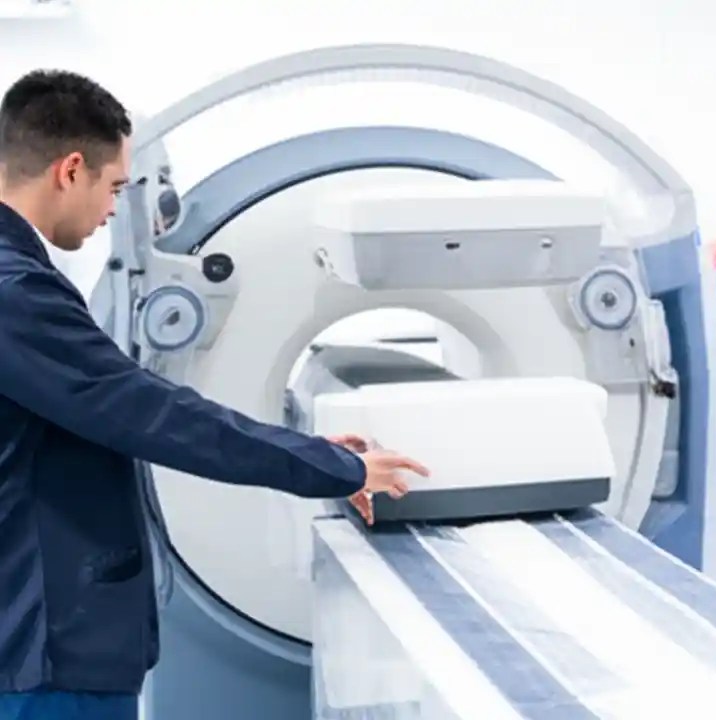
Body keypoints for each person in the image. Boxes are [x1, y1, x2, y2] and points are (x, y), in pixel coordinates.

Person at [0, 70, 428, 719]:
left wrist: (309, 447)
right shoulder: (16, 293)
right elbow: (149, 412)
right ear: (70, 170)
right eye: (114, 187)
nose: (115, 209)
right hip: (44, 645)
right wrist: (329, 467)